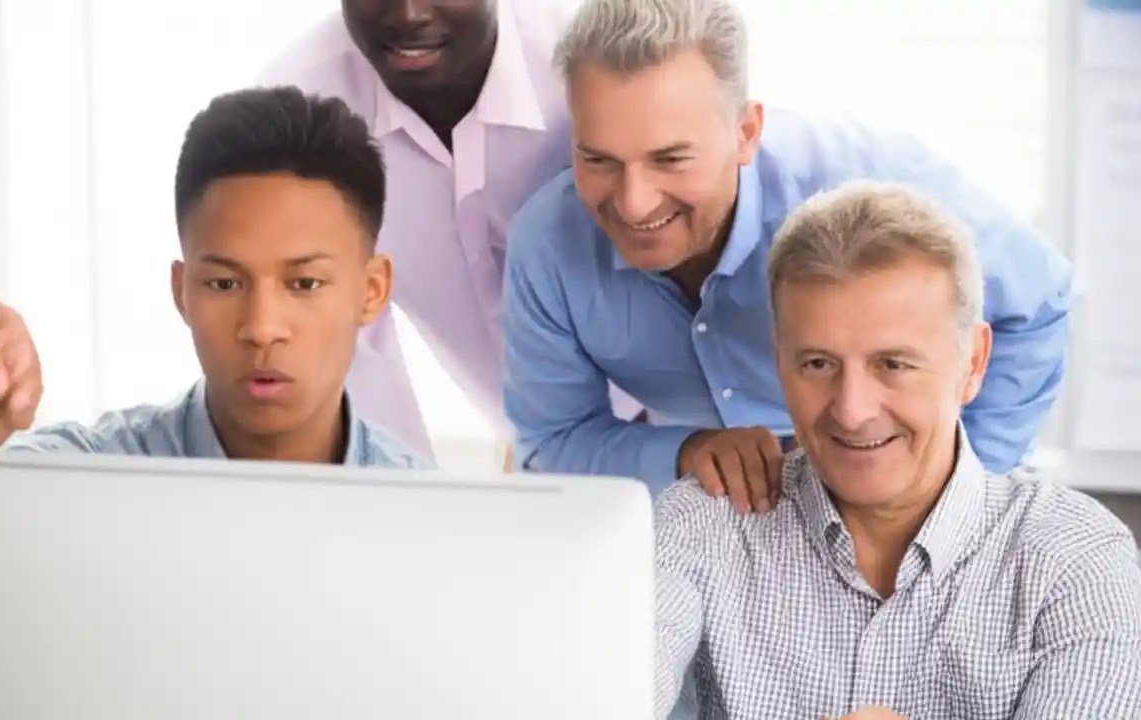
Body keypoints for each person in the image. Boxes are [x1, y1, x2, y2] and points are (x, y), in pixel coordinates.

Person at [0, 85, 428, 668]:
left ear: (371, 292)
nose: (261, 328)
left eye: (304, 284)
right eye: (224, 283)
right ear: (182, 291)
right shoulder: (85, 482)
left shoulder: (427, 515)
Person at [503, 0, 1072, 510]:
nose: (633, 202)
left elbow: (1038, 300)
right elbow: (553, 439)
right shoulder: (547, 244)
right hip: (728, 533)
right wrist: (689, 451)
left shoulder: (866, 182)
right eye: (599, 160)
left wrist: (946, 493)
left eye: (671, 159)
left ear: (746, 131)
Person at [651, 180, 1141, 719]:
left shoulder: (1075, 558)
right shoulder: (701, 524)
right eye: (818, 364)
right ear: (780, 359)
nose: (852, 410)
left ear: (973, 362)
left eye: (894, 365)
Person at [258, 0, 586, 458]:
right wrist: (406, 501)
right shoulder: (298, 114)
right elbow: (342, 352)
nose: (409, 14)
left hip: (690, 427)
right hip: (534, 452)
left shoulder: (588, 67)